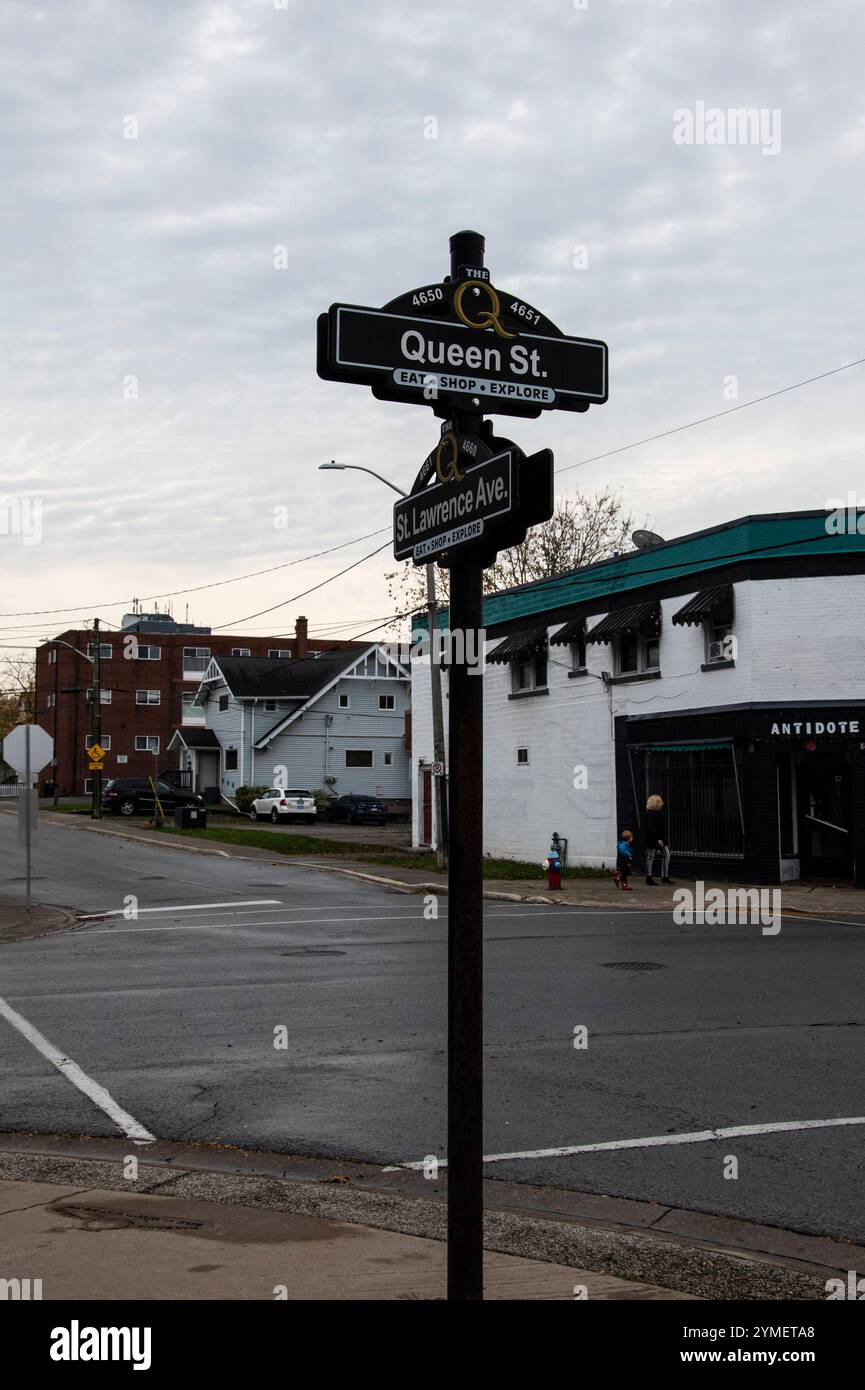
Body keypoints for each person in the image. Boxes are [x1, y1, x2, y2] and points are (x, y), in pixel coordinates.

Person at [644, 793, 673, 885]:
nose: (662, 804)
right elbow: (652, 828)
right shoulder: (650, 814)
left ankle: (664, 876)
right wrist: (658, 839)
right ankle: (648, 878)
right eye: (660, 802)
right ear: (656, 803)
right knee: (650, 857)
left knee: (667, 854)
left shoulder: (657, 813)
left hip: (659, 838)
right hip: (653, 839)